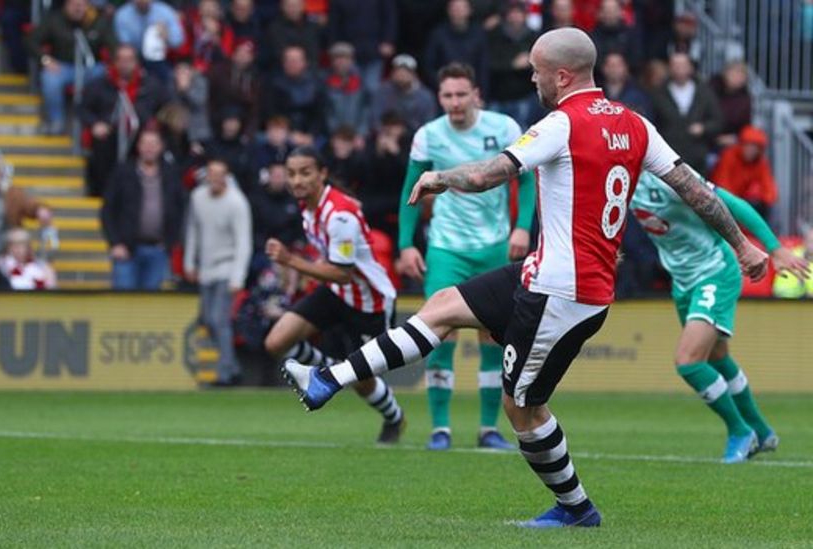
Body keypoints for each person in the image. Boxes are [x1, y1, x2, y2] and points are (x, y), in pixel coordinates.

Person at [282, 27, 770, 528]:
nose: (532, 78)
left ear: (561, 75)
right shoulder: (635, 124)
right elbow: (697, 191)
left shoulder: (560, 123)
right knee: (443, 305)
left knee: (524, 410)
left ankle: (576, 508)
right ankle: (328, 379)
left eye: (536, 70)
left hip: (564, 293)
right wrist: (742, 245)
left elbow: (488, 175)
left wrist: (438, 178)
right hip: (547, 274)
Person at [397, 62, 536, 451]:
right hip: (446, 248)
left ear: (476, 94)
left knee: (496, 337)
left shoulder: (504, 127)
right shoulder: (428, 136)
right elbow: (411, 190)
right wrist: (406, 244)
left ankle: (488, 429)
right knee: (440, 333)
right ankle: (440, 428)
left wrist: (523, 226)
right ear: (439, 98)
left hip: (494, 246)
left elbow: (526, 179)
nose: (455, 103)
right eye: (447, 96)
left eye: (461, 94)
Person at [630, 172, 808, 461]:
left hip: (714, 271)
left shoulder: (666, 175)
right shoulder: (619, 182)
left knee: (688, 361)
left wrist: (774, 249)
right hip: (683, 280)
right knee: (716, 357)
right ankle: (762, 431)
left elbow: (732, 204)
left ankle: (740, 430)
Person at [266, 146, 406, 443]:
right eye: (291, 174)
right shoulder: (308, 207)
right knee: (276, 342)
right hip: (336, 291)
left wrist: (291, 261)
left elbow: (343, 271)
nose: (297, 180)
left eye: (305, 172)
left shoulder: (340, 215)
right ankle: (326, 371)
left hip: (370, 302)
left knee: (362, 381)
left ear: (322, 174)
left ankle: (395, 418)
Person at [184, 158, 252, 386]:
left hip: (227, 266)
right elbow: (194, 231)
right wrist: (189, 263)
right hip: (206, 269)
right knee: (208, 319)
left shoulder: (236, 202)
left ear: (226, 177)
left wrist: (237, 276)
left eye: (219, 174)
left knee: (218, 320)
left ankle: (225, 374)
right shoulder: (198, 198)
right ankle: (232, 368)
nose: (214, 178)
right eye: (211, 173)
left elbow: (243, 241)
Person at [80, 44, 170, 196]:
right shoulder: (99, 85)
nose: (125, 64)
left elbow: (167, 106)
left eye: (129, 60)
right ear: (114, 62)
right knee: (101, 146)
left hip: (140, 133)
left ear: (136, 62)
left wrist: (156, 124)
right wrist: (94, 124)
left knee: (153, 144)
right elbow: (83, 109)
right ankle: (103, 191)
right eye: (121, 60)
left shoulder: (151, 85)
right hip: (109, 134)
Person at [100, 127, 185, 290]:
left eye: (154, 144)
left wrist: (171, 241)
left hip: (158, 250)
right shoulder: (123, 172)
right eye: (145, 144)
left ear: (161, 147)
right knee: (123, 303)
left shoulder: (171, 173)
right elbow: (108, 210)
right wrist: (115, 243)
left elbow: (179, 209)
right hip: (126, 250)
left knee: (150, 307)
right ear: (138, 146)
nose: (149, 148)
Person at [29, 0, 117, 134]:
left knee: (103, 76)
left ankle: (99, 120)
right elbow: (31, 41)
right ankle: (56, 121)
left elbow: (114, 47)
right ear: (66, 5)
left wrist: (112, 63)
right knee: (49, 79)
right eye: (74, 5)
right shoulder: (54, 20)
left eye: (81, 5)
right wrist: (45, 60)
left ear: (88, 6)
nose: (78, 9)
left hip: (91, 68)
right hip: (62, 67)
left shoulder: (98, 22)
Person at [650, 52, 723, 175]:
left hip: (697, 156)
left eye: (683, 65)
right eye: (675, 65)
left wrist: (703, 128)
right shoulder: (658, 93)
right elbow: (651, 122)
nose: (679, 69)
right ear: (669, 68)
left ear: (690, 67)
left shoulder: (704, 92)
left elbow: (718, 121)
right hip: (668, 158)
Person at [484, 1, 540, 130]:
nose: (515, 17)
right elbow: (489, 63)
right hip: (498, 96)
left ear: (525, 15)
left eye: (518, 13)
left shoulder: (533, 36)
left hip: (523, 96)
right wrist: (512, 65)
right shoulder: (495, 35)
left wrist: (529, 62)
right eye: (512, 13)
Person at [327, 0, 397, 99]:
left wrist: (388, 41)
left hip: (375, 49)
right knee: (352, 90)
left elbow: (389, 17)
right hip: (348, 52)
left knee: (372, 88)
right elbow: (334, 23)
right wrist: (335, 48)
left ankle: (372, 114)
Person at [709, 126, 778, 221]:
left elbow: (770, 190)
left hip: (745, 202)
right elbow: (722, 184)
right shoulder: (729, 156)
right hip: (726, 201)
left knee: (762, 206)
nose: (751, 150)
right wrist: (738, 202)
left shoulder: (761, 163)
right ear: (742, 145)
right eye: (748, 145)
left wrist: (759, 196)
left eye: (755, 147)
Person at [262, 46, 327, 144]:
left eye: (296, 61)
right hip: (281, 132)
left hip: (310, 134)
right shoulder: (273, 84)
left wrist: (310, 135)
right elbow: (270, 112)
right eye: (288, 60)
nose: (292, 64)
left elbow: (320, 115)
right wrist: (289, 133)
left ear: (304, 63)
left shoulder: (316, 84)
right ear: (283, 63)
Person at [423, 0, 489, 96]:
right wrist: (443, 85)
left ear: (469, 11)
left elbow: (483, 67)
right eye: (454, 8)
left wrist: (481, 93)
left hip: (471, 90)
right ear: (448, 11)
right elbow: (429, 65)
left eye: (461, 8)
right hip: (444, 91)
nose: (458, 11)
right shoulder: (438, 34)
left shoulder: (478, 34)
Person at [112, 0, 185, 85]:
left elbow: (179, 41)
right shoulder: (122, 15)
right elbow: (125, 46)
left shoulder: (165, 11)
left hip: (161, 60)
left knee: (170, 76)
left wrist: (167, 36)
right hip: (135, 58)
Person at [371, 54, 437, 134]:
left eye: (405, 72)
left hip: (414, 138)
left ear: (414, 74)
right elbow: (375, 118)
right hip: (385, 135)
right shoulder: (383, 91)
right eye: (398, 71)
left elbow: (428, 126)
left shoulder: (425, 97)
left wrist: (404, 132)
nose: (401, 75)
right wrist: (385, 133)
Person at [323, 42, 369, 138]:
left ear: (352, 60)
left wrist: (360, 134)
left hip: (357, 136)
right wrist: (337, 135)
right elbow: (326, 113)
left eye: (345, 58)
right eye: (337, 58)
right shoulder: (325, 83)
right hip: (333, 136)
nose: (341, 62)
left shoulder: (361, 83)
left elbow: (366, 111)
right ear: (332, 61)